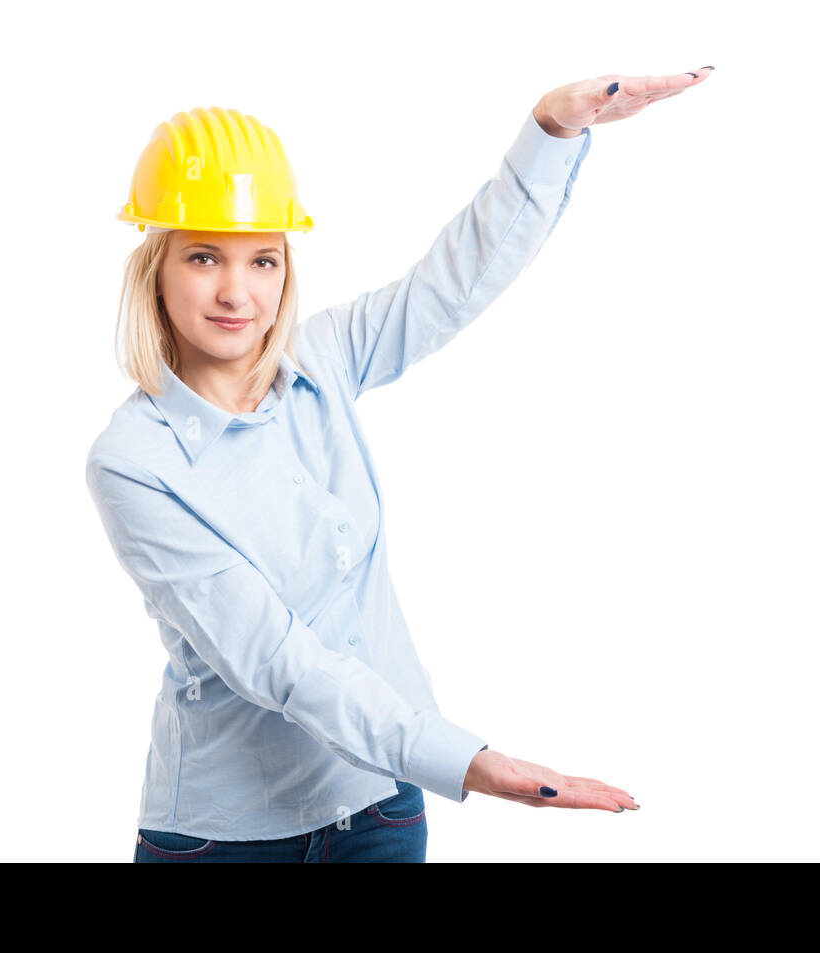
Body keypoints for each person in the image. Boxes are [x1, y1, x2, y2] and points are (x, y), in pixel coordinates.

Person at [86, 67, 714, 863]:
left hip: (379, 804)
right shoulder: (132, 463)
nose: (236, 292)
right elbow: (276, 657)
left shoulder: (323, 360)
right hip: (224, 835)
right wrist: (468, 761)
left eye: (263, 260)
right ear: (157, 267)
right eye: (204, 257)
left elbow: (449, 284)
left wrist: (550, 134)